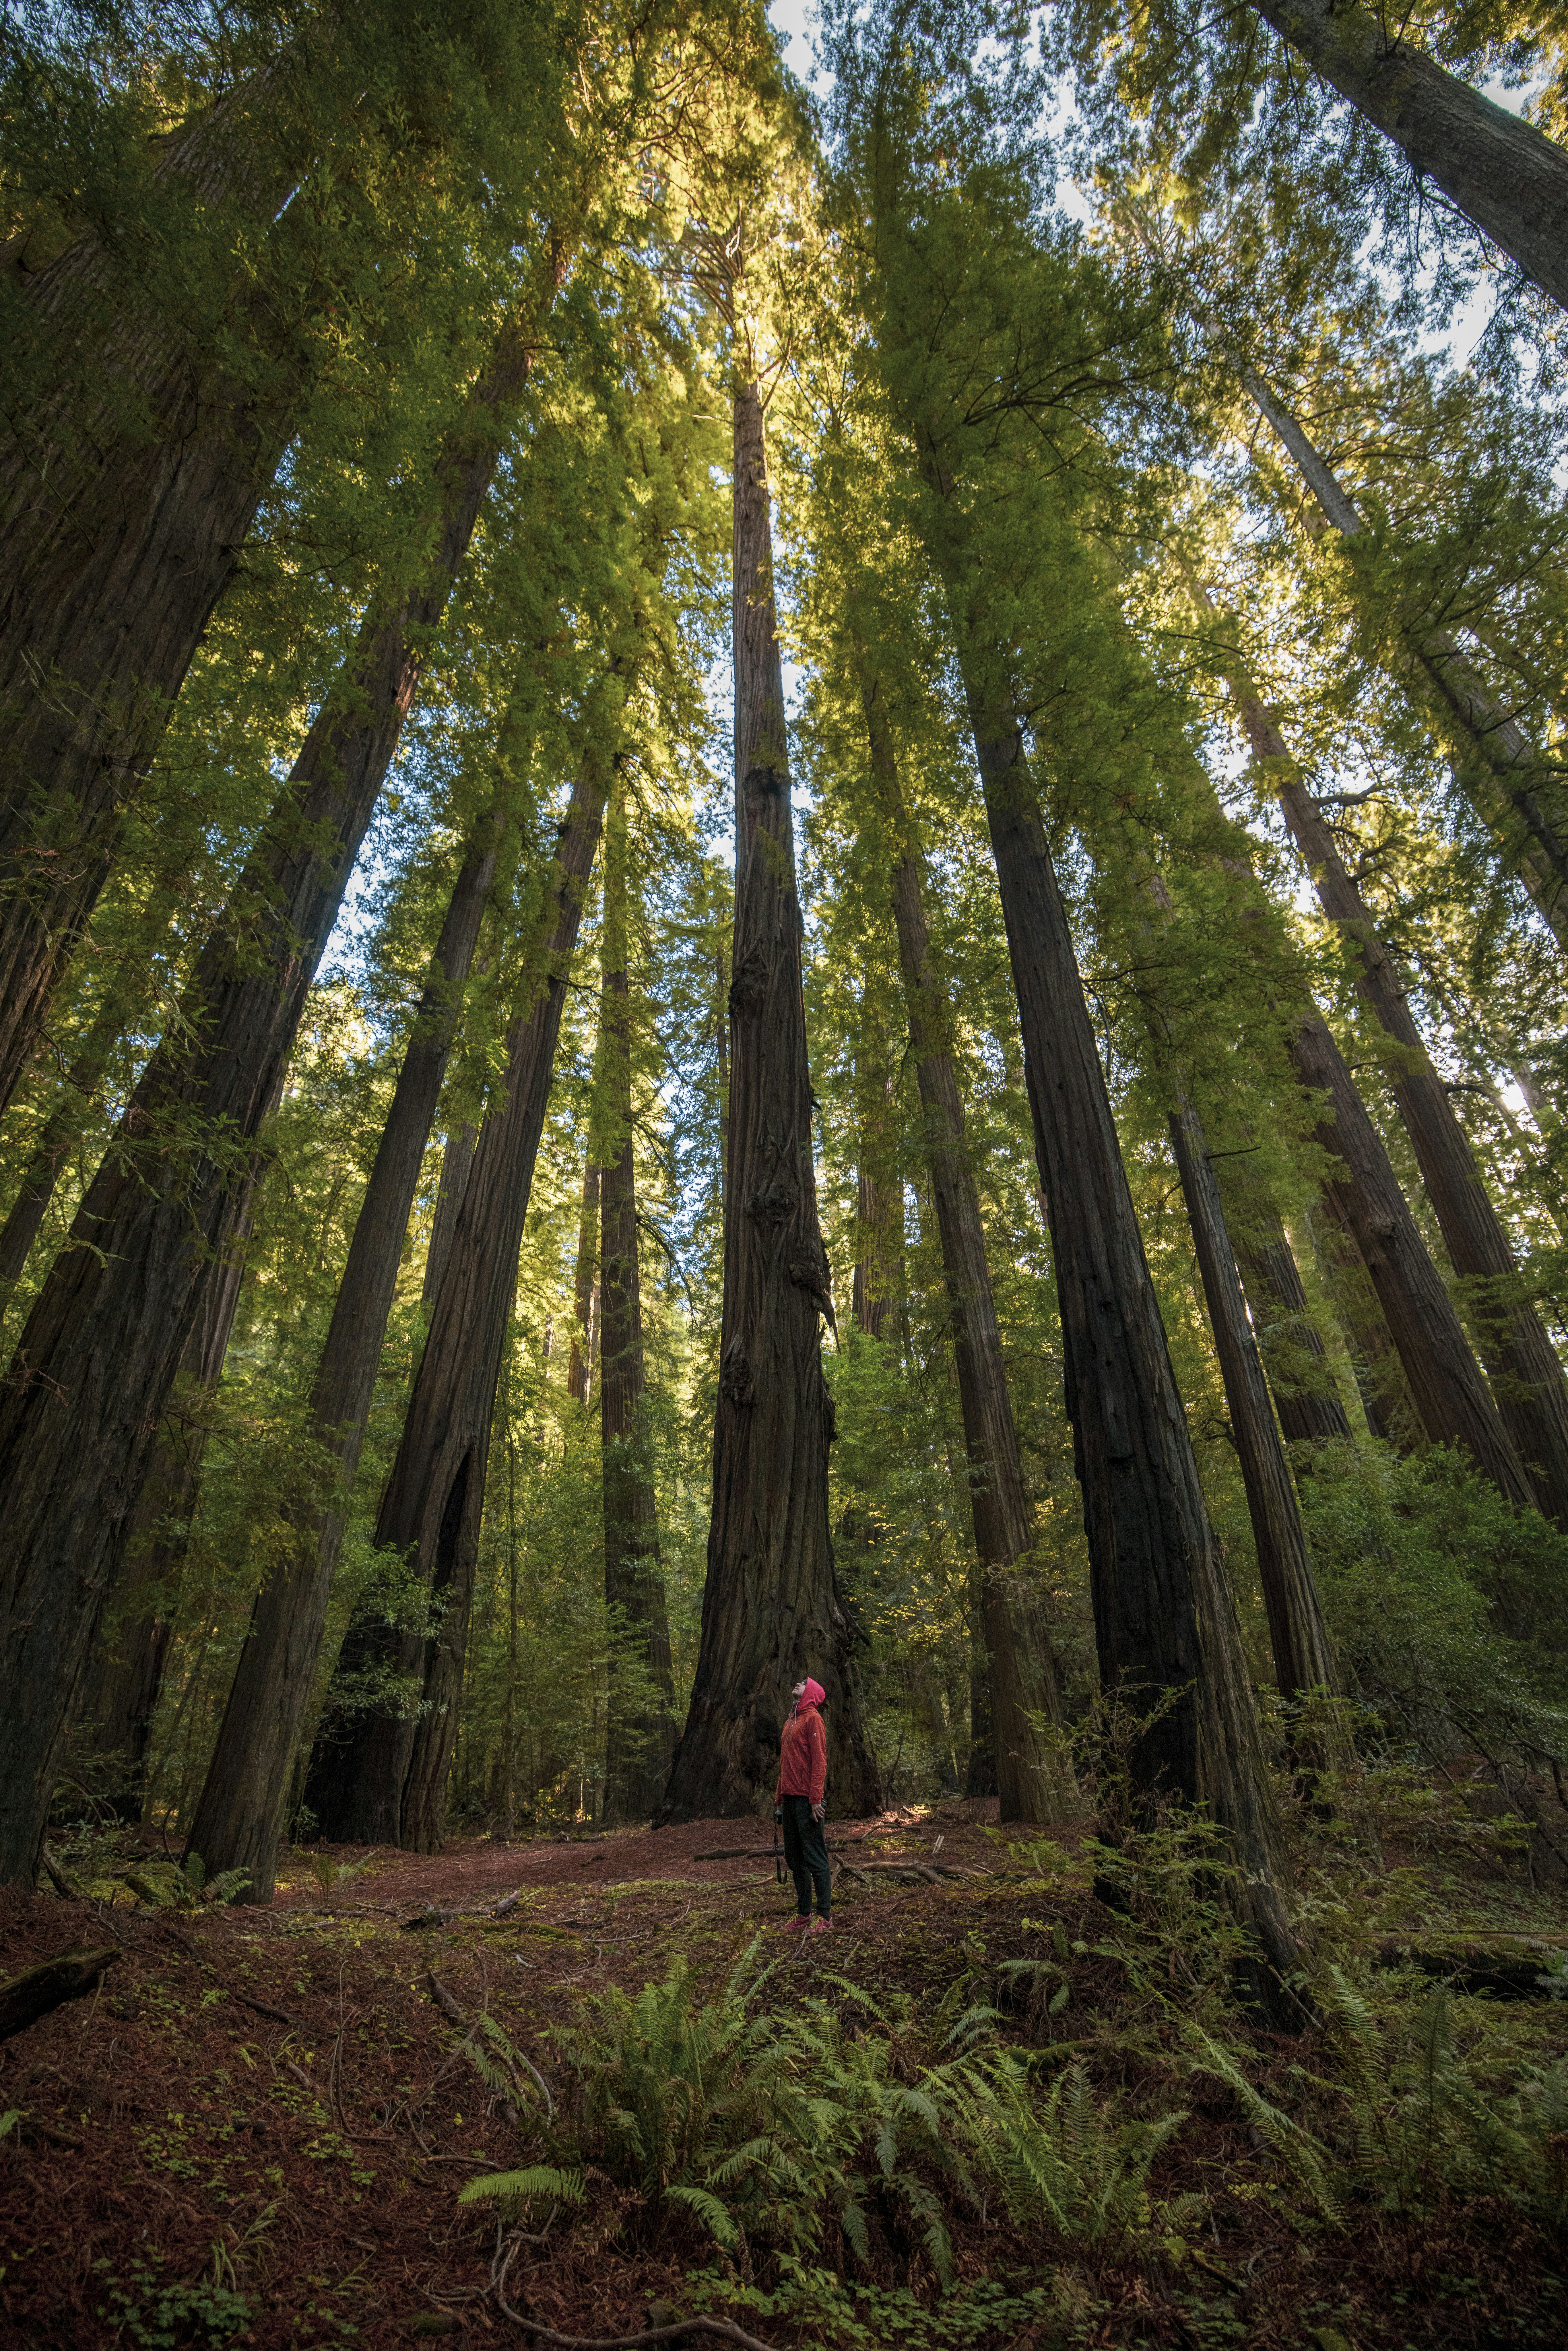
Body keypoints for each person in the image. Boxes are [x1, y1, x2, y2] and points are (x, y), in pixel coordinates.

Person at [775, 1674, 831, 1935]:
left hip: (807, 1801)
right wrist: (779, 1798)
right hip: (789, 1799)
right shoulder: (791, 1721)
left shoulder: (813, 1720)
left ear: (810, 1693)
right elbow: (785, 1763)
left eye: (803, 1683)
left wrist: (815, 1799)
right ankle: (804, 1914)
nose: (797, 1683)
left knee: (815, 1858)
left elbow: (820, 1763)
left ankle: (825, 1916)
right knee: (795, 1859)